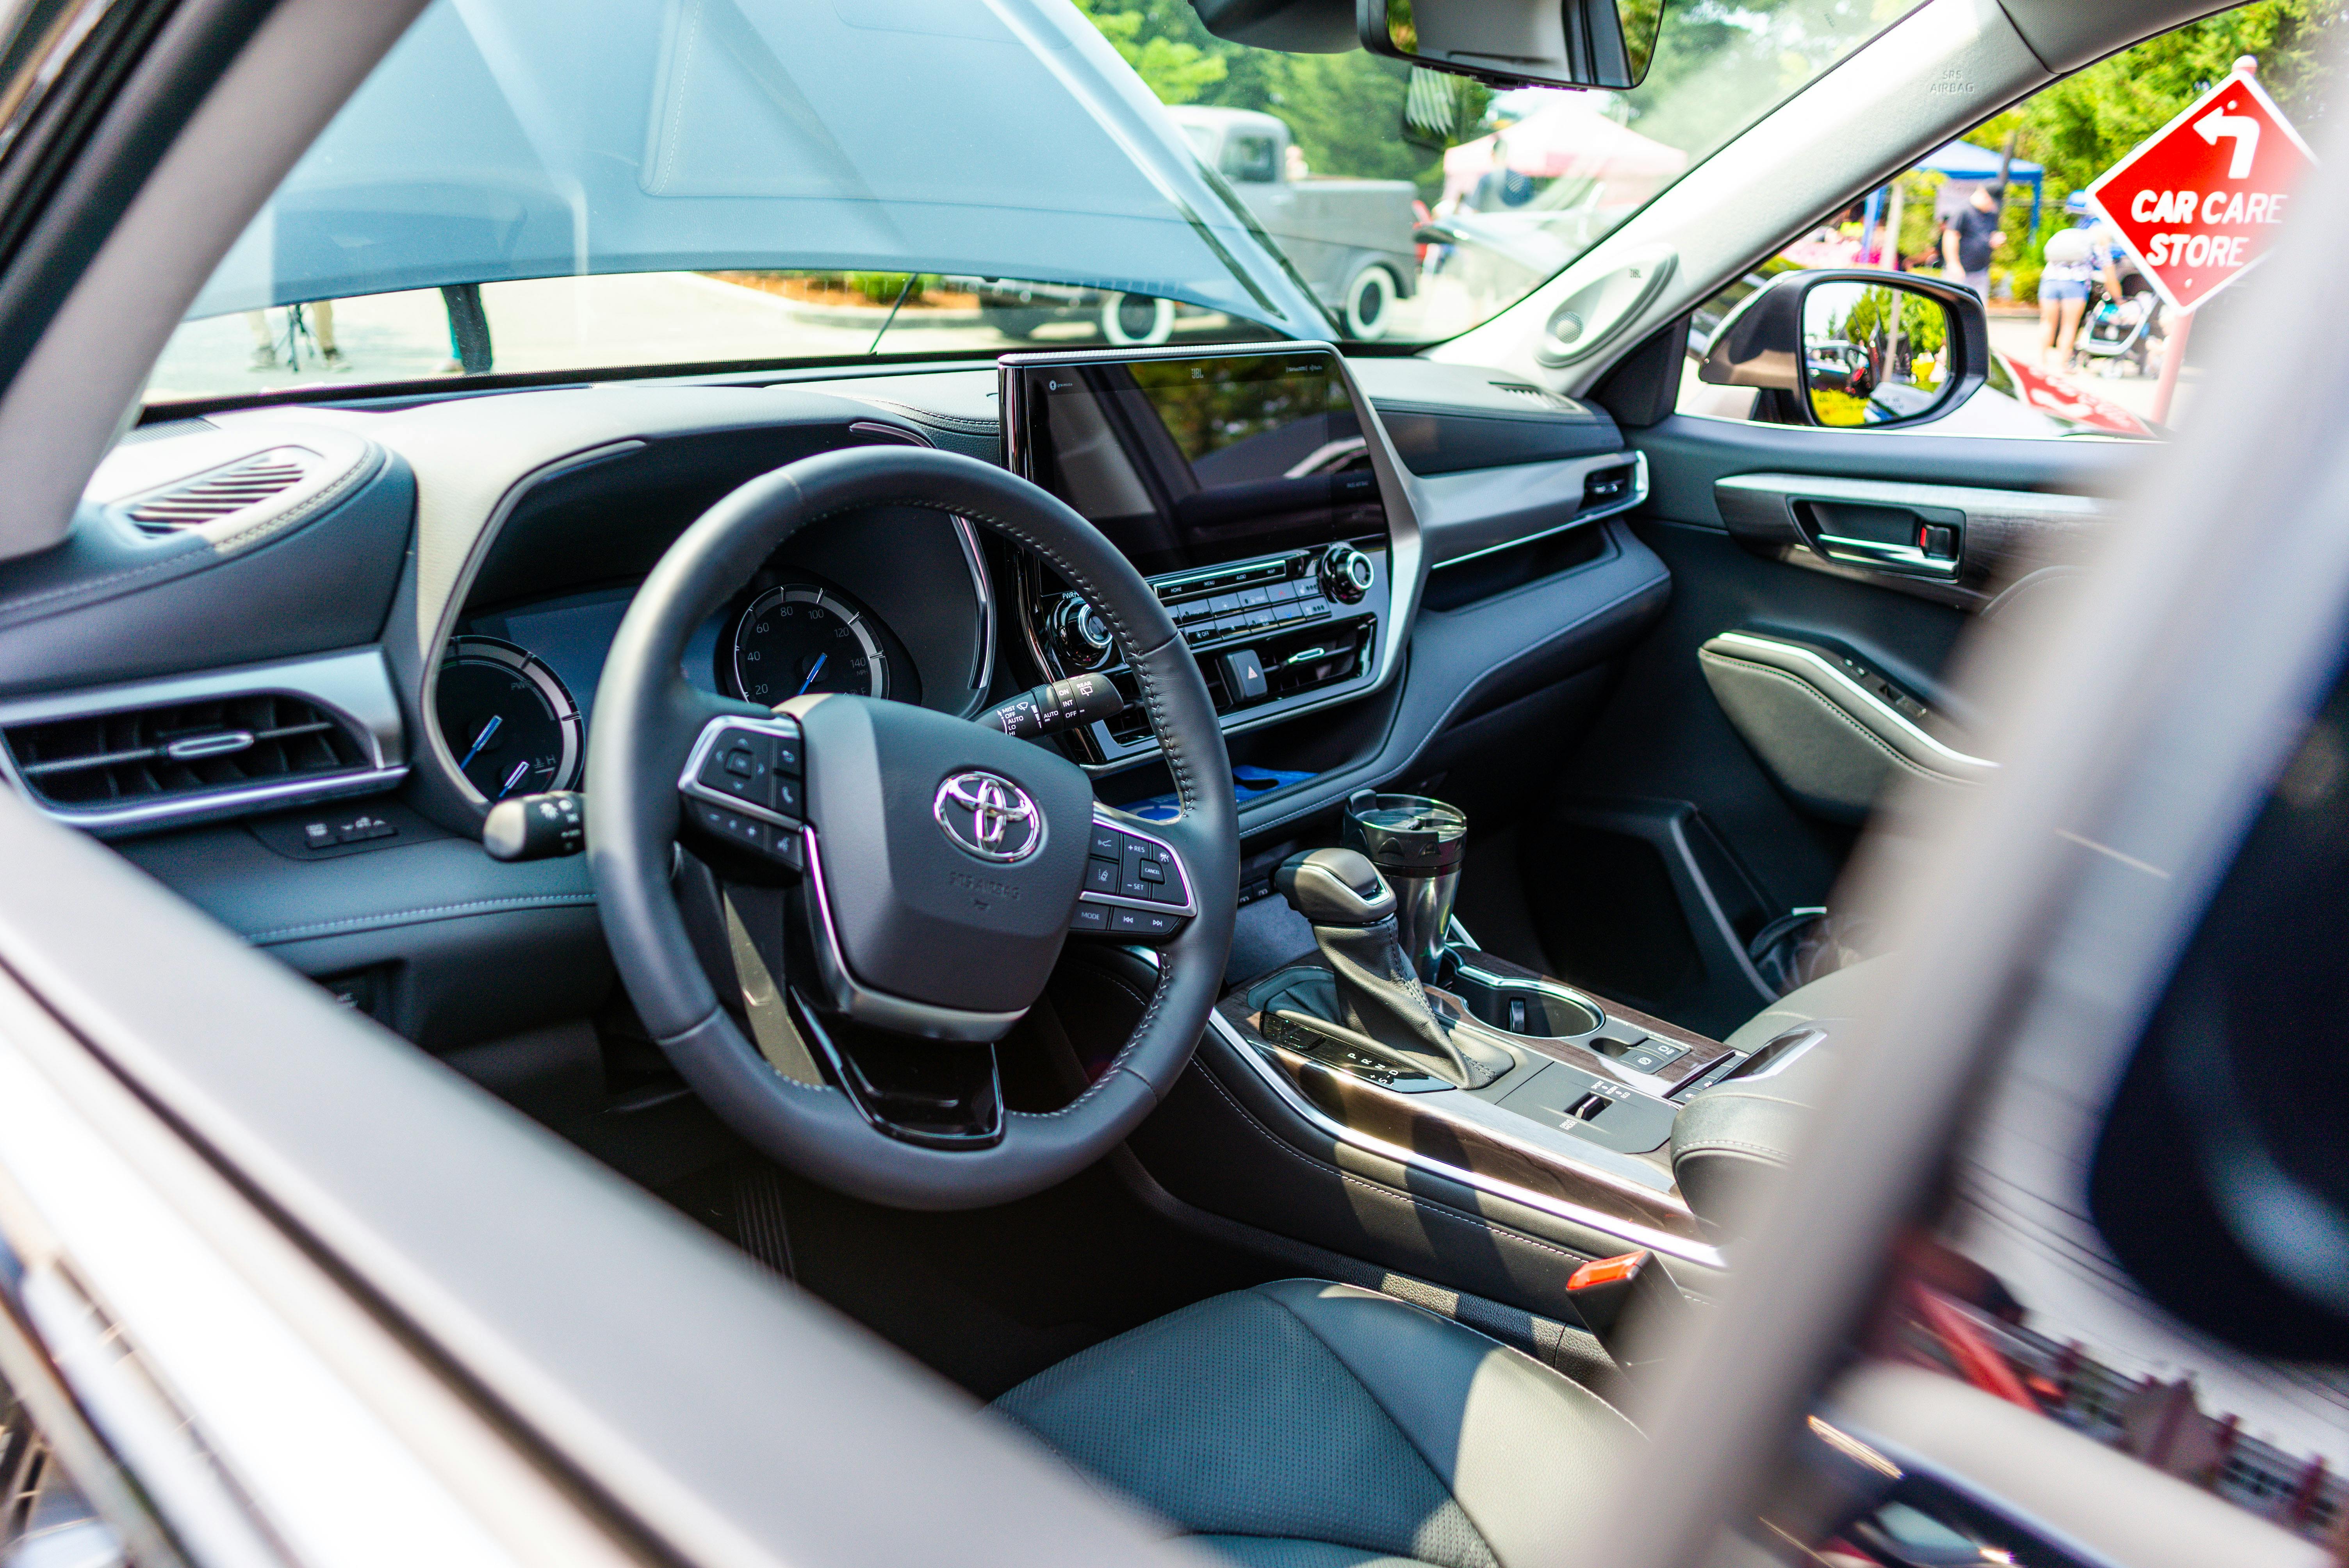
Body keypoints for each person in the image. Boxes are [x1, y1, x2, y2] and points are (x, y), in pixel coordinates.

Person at [2037, 190, 2126, 370]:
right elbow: (2109, 275)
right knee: (2069, 326)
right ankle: (2063, 365)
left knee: (2047, 322)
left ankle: (2041, 363)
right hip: (2074, 285)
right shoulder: (2099, 243)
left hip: (2049, 281)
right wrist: (2119, 299)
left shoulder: (2071, 234)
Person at [1941, 182, 2004, 297]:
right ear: (1984, 195)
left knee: (1978, 308)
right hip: (1961, 273)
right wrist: (1953, 263)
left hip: (1980, 272)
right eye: (1991, 202)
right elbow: (1950, 236)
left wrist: (1995, 240)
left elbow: (1987, 236)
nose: (1992, 206)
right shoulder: (1963, 211)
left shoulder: (1991, 215)